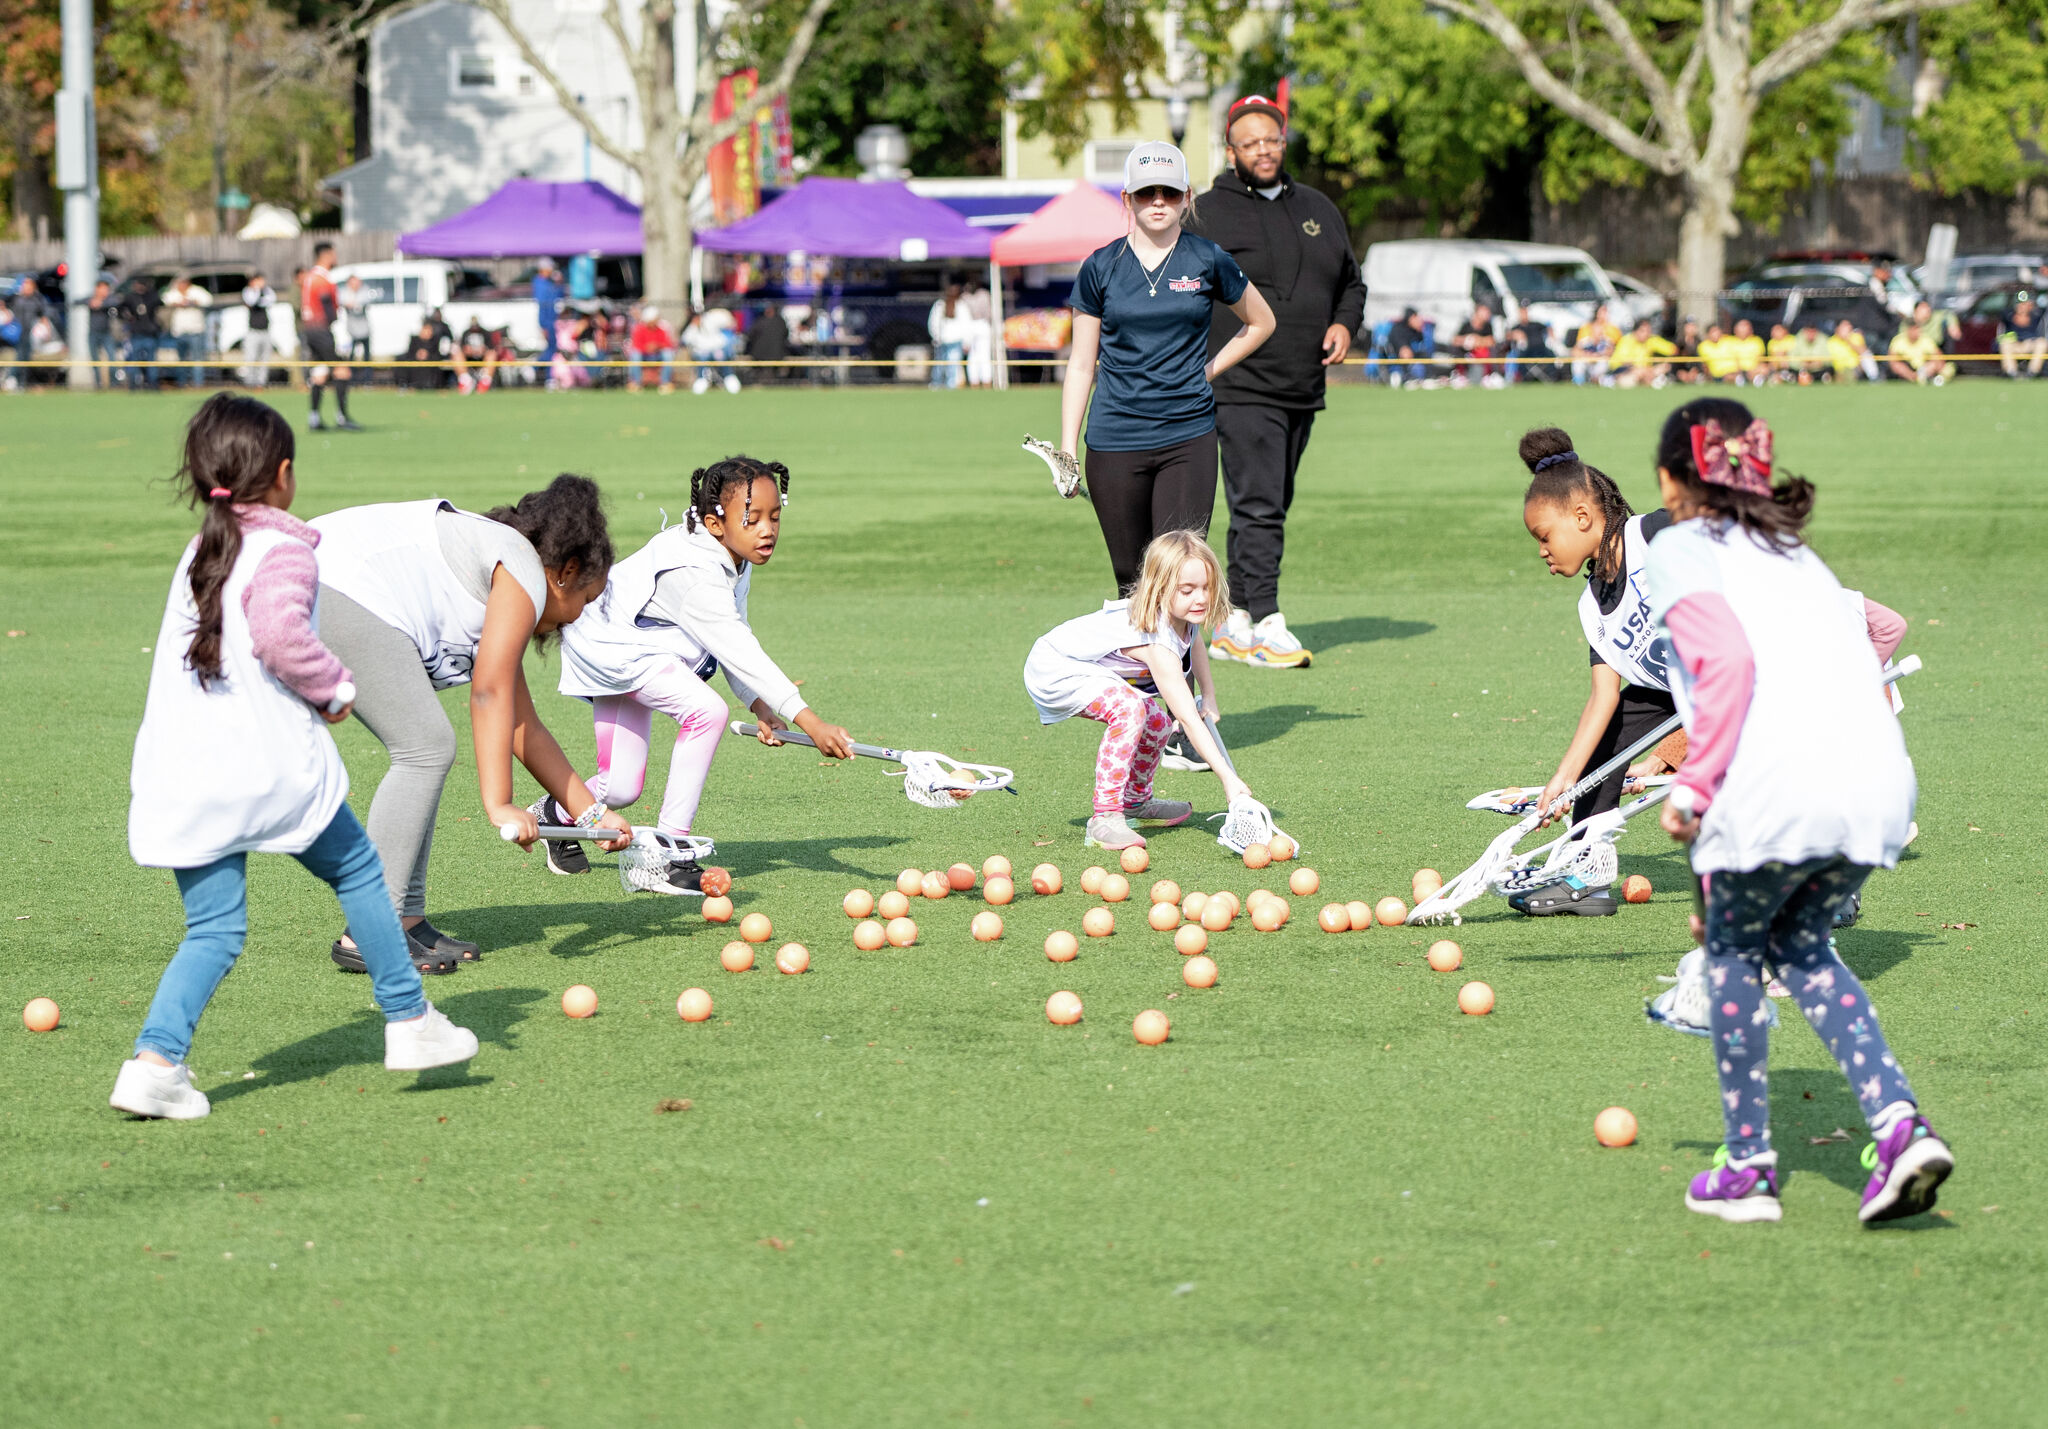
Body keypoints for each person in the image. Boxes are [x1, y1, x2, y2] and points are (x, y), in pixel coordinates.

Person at [113, 395, 478, 1121]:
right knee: (360, 871)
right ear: (282, 475)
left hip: (179, 770)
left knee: (214, 931)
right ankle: (410, 1021)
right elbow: (280, 635)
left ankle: (155, 1066)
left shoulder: (203, 548)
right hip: (262, 769)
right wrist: (334, 687)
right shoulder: (282, 550)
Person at [1645, 398, 1951, 1225]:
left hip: (1777, 785)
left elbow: (1727, 664)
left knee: (1732, 955)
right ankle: (1900, 1126)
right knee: (1805, 947)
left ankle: (1747, 1167)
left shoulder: (1678, 546)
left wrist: (1694, 785)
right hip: (1879, 783)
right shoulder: (1793, 550)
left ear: (1672, 481)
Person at [309, 477, 629, 970]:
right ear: (565, 572)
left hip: (330, 581)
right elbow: (488, 693)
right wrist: (499, 803)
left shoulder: (508, 574)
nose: (580, 615)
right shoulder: (523, 569)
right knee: (426, 747)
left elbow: (521, 725)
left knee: (426, 748)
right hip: (328, 583)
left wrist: (590, 815)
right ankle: (372, 930)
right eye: (587, 598)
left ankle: (405, 919)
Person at [547, 456, 856, 892]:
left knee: (620, 788)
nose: (767, 530)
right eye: (752, 519)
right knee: (706, 711)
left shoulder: (734, 556)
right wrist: (812, 722)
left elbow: (734, 637)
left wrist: (761, 706)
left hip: (632, 643)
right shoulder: (695, 574)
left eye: (774, 516)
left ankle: (554, 812)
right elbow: (740, 650)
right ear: (714, 523)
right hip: (609, 647)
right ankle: (669, 853)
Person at [1186, 93, 1365, 672]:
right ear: (1231, 151)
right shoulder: (1206, 213)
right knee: (1260, 504)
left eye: (1272, 140)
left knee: (1267, 502)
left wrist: (1343, 323)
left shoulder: (1318, 207)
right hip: (1239, 382)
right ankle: (1266, 621)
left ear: (1284, 143)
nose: (1263, 150)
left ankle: (1232, 617)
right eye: (1250, 143)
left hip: (1302, 384)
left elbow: (1351, 282)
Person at [1058, 141, 1277, 601]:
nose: (1158, 202)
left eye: (1170, 192)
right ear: (1127, 199)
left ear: (1187, 198)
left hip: (1187, 436)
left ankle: (1183, 655)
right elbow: (1080, 365)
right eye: (1146, 193)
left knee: (1181, 574)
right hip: (1114, 440)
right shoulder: (1100, 266)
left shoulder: (1208, 258)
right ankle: (1139, 653)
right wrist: (1066, 449)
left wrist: (1207, 372)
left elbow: (1262, 322)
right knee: (1132, 581)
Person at [1516, 428, 1677, 917]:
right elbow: (1603, 697)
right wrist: (1565, 780)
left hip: (1747, 668)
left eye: (1545, 536)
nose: (1541, 550)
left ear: (1582, 517)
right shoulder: (1593, 607)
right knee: (1603, 744)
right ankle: (1588, 873)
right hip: (1678, 688)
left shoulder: (1655, 535)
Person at [1023, 530, 1255, 851]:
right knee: (1130, 709)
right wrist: (1228, 778)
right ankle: (1105, 817)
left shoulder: (1184, 616)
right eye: (1187, 590)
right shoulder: (1156, 643)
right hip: (1054, 668)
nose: (1201, 598)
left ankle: (1135, 802)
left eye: (1206, 587)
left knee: (1157, 721)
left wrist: (1210, 695)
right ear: (1160, 589)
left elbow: (1195, 643)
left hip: (1081, 668)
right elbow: (1188, 719)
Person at [300, 243, 359, 430]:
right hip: (322, 330)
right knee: (342, 370)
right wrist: (338, 328)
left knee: (320, 373)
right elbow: (326, 303)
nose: (335, 257)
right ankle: (342, 417)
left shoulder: (311, 276)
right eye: (333, 254)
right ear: (325, 255)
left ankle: (314, 418)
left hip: (311, 330)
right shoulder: (321, 278)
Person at [118, 279, 165, 391]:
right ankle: (133, 385)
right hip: (136, 333)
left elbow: (161, 304)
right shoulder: (130, 297)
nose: (139, 287)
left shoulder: (152, 297)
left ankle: (153, 385)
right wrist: (128, 317)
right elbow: (120, 310)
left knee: (151, 361)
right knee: (134, 360)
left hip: (150, 333)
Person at [1449, 303, 1501, 388]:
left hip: (1481, 354)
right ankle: (1459, 375)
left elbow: (1491, 341)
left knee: (1492, 350)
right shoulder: (1467, 325)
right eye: (1485, 312)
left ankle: (1491, 375)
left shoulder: (1487, 326)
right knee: (1455, 349)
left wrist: (1478, 340)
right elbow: (1455, 340)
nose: (1488, 314)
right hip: (1466, 353)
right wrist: (1468, 339)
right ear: (1477, 313)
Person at [1613, 318, 1676, 387]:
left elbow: (1673, 349)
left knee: (1665, 367)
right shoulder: (1626, 340)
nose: (1646, 334)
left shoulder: (1651, 340)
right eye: (1643, 331)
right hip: (1626, 372)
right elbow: (1624, 363)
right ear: (1635, 331)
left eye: (1648, 331)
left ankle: (1651, 380)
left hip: (1648, 372)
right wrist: (1643, 370)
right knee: (1632, 378)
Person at [627, 306, 676, 392]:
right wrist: (646, 348)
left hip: (657, 355)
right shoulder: (639, 330)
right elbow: (636, 345)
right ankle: (636, 383)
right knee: (635, 356)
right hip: (644, 355)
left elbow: (668, 344)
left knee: (668, 355)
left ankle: (665, 383)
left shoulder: (661, 330)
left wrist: (657, 346)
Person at [927, 282, 966, 390]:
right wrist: (936, 337)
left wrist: (966, 340)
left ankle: (951, 386)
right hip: (942, 340)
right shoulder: (940, 305)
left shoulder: (961, 305)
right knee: (939, 364)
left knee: (953, 365)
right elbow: (933, 322)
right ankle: (936, 384)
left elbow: (966, 324)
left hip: (956, 341)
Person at [239, 274, 275, 387]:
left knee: (264, 359)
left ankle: (261, 383)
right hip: (253, 331)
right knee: (251, 358)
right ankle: (250, 382)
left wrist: (261, 295)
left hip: (265, 330)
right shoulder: (248, 291)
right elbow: (252, 301)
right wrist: (258, 291)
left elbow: (271, 300)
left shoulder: (267, 290)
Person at [1886, 317, 1947, 384]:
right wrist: (1910, 374)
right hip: (1906, 370)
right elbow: (1892, 361)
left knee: (1934, 364)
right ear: (1909, 330)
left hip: (1923, 369)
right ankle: (1912, 378)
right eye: (1915, 329)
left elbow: (1939, 357)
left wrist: (1930, 369)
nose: (1918, 331)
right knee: (1898, 365)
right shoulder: (1898, 340)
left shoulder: (1926, 339)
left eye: (1918, 328)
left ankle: (1921, 377)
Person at [1570, 304, 1620, 385]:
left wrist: (1598, 355)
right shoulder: (1586, 329)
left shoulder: (1612, 329)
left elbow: (1612, 350)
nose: (1605, 314)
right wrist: (1586, 355)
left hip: (1600, 360)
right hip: (1587, 359)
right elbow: (1575, 350)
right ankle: (1579, 383)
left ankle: (1596, 380)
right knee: (1578, 362)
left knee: (1603, 362)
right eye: (1603, 311)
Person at [1999, 294, 2045, 378]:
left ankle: (2032, 372)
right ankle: (2012, 373)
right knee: (2005, 343)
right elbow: (2001, 312)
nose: (2022, 307)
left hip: (2029, 344)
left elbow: (2043, 307)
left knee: (2042, 343)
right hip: (2015, 344)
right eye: (2019, 304)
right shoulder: (2009, 316)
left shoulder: (2035, 316)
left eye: (2025, 304)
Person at [746, 301, 791, 382]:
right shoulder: (780, 321)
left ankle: (765, 380)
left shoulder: (760, 321)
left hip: (762, 355)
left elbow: (750, 335)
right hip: (774, 355)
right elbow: (786, 335)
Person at [963, 277, 995, 388]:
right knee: (974, 356)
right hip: (973, 325)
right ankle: (976, 381)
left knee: (982, 355)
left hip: (980, 324)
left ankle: (984, 381)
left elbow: (989, 313)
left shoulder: (983, 294)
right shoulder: (966, 296)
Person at [1385, 307, 1429, 385]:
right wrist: (1404, 348)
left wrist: (1420, 329)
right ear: (1411, 318)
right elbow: (1404, 351)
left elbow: (1422, 344)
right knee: (1409, 357)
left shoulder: (1415, 331)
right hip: (1398, 361)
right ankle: (1407, 377)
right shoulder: (1398, 329)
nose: (1418, 320)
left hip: (1414, 359)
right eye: (1416, 318)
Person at [87, 278, 119, 388]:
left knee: (112, 358)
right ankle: (98, 384)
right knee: (95, 360)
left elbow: (116, 301)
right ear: (97, 289)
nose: (105, 291)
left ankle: (114, 383)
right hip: (93, 334)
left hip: (106, 333)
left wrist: (101, 303)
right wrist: (91, 302)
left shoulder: (109, 300)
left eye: (106, 289)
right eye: (103, 289)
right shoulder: (90, 299)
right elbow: (76, 301)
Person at [339, 273, 373, 364]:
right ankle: (351, 370)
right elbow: (341, 301)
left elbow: (365, 301)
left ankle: (367, 371)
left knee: (366, 354)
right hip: (352, 329)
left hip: (364, 328)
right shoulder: (345, 292)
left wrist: (354, 304)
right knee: (351, 353)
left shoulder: (364, 291)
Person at [534, 258, 562, 365]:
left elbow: (558, 296)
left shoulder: (549, 283)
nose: (551, 271)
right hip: (547, 321)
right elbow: (543, 305)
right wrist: (543, 325)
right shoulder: (540, 283)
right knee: (551, 348)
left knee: (553, 348)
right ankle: (535, 368)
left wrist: (559, 284)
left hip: (553, 321)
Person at [1727, 318, 1765, 385]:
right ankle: (1739, 379)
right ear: (1735, 329)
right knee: (1728, 373)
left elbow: (1760, 359)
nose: (1744, 329)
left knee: (1763, 369)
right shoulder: (1729, 341)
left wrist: (1752, 370)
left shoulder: (1757, 341)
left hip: (1753, 369)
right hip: (1736, 370)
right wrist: (1739, 370)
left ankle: (1754, 379)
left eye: (1746, 327)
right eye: (1742, 327)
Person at [1673, 318, 1703, 384]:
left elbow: (1701, 361)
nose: (1691, 328)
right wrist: (1680, 373)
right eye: (1689, 326)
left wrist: (1695, 370)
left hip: (1696, 373)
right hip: (1681, 373)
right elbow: (1674, 361)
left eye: (1693, 326)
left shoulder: (1700, 343)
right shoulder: (1679, 343)